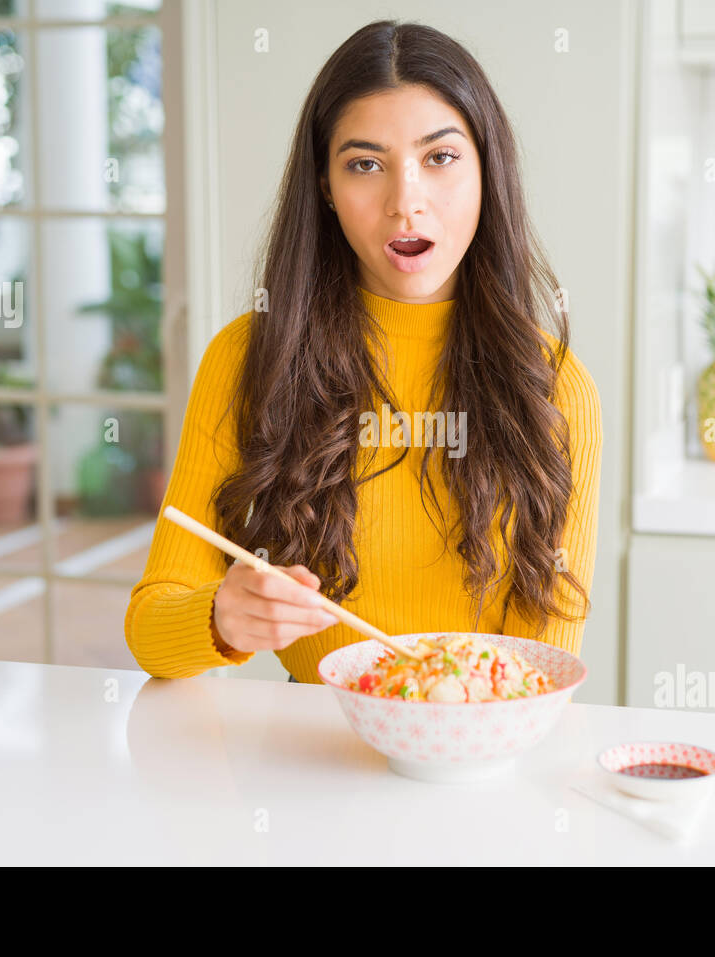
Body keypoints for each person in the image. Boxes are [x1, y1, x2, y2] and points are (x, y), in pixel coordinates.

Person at [124, 19, 602, 683]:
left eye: (440, 158)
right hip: (304, 761)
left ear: (488, 171)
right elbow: (151, 634)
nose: (406, 203)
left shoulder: (555, 385)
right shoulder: (247, 358)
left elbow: (547, 667)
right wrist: (222, 617)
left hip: (479, 752)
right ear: (325, 186)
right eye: (365, 164)